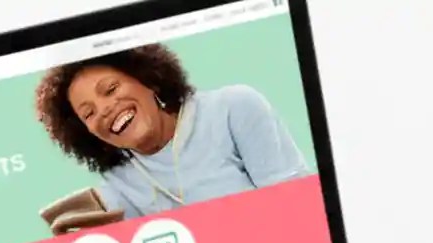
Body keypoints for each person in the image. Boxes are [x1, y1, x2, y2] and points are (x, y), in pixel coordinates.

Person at [35, 44, 311, 223]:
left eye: (110, 89)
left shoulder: (233, 108)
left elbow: (298, 207)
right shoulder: (117, 184)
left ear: (148, 80)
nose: (105, 109)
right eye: (89, 113)